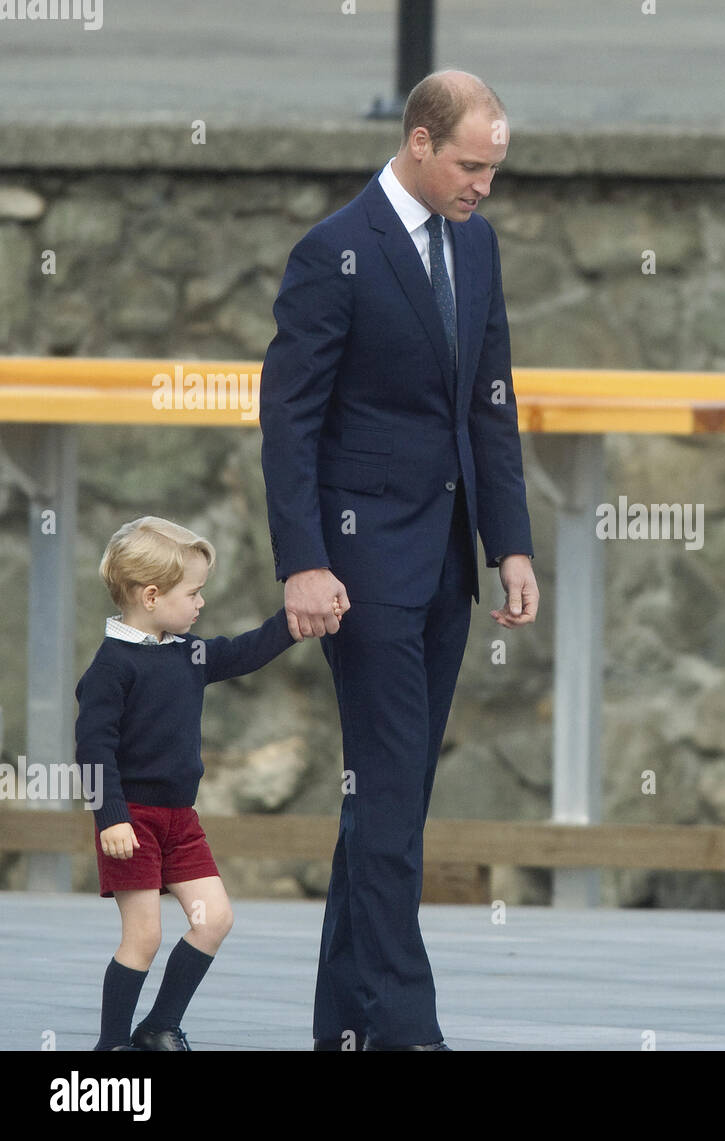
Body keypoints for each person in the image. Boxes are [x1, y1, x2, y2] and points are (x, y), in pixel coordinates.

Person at [259, 69, 539, 1052]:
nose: (483, 185)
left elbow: (489, 402)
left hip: (444, 568)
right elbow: (288, 423)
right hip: (358, 565)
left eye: (495, 169)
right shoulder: (332, 250)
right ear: (418, 142)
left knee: (390, 803)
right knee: (384, 801)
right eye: (470, 165)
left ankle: (345, 1026)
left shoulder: (477, 242)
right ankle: (407, 1029)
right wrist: (300, 561)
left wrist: (509, 541)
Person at [76, 516, 302, 1051]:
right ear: (151, 596)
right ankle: (111, 1045)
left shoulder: (188, 652)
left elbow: (242, 652)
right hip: (132, 821)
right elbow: (92, 750)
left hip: (181, 821)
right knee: (144, 936)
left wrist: (293, 621)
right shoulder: (112, 668)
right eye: (193, 593)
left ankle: (158, 1027)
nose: (201, 604)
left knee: (214, 919)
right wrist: (109, 816)